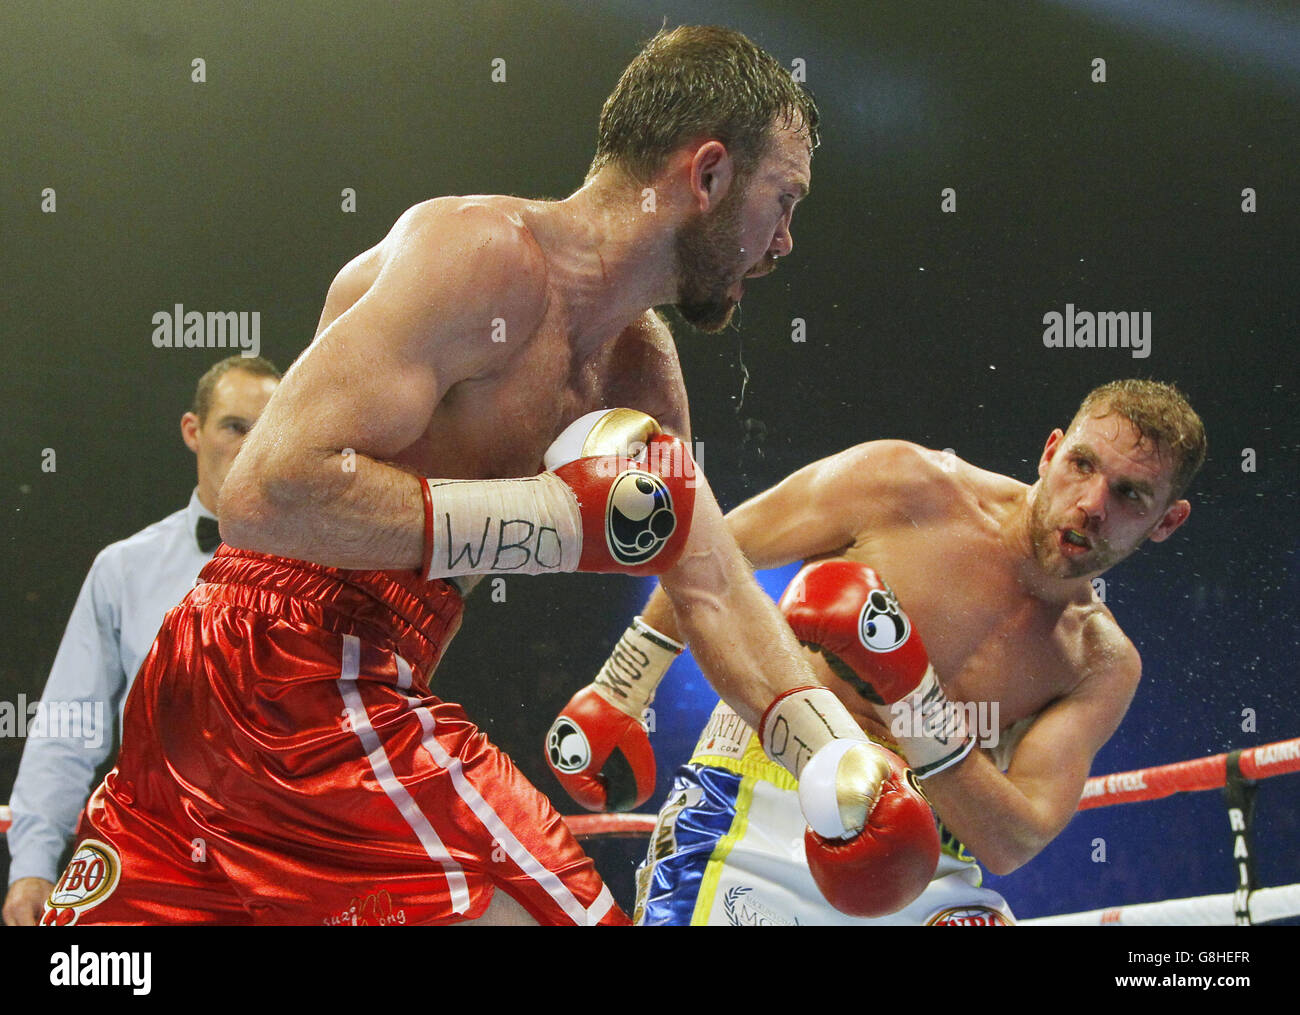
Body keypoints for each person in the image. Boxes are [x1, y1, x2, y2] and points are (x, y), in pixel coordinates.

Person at [43, 26, 909, 928]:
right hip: (287, 664)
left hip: (330, 682)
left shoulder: (637, 378)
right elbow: (265, 495)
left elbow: (713, 584)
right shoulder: (480, 255)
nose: (786, 242)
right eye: (785, 198)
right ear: (711, 175)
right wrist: (540, 517)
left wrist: (830, 754)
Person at [554, 379, 1205, 925]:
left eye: (1130, 494)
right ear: (1050, 452)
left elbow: (1014, 839)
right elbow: (712, 552)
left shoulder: (1098, 661)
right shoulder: (903, 483)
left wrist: (910, 690)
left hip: (925, 865)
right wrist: (622, 687)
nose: (1092, 504)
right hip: (760, 805)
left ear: (1167, 521)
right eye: (1083, 465)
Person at [3, 356, 280, 925]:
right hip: (158, 865)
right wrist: (32, 866)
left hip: (290, 866)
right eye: (234, 425)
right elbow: (69, 722)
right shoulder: (124, 570)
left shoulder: (324, 568)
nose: (251, 444)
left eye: (269, 427)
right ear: (192, 431)